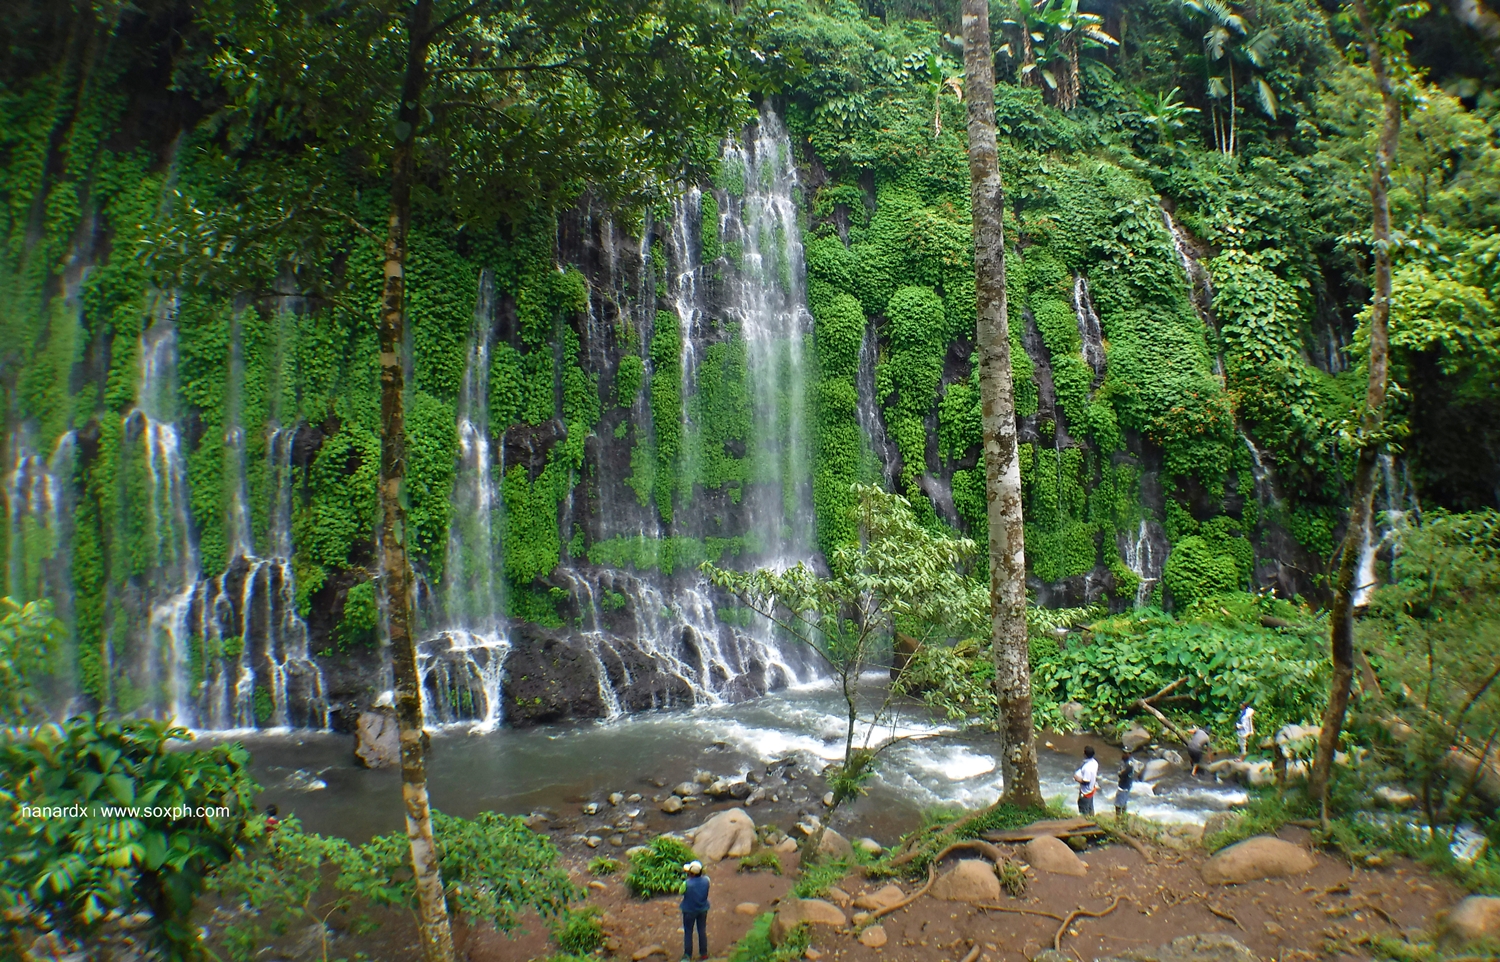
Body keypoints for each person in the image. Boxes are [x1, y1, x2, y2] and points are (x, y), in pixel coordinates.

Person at [680, 860, 710, 961]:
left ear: (691, 873)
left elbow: (681, 891)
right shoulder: (706, 880)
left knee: (688, 932)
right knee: (702, 930)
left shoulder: (686, 883)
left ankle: (687, 955)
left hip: (689, 910)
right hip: (703, 909)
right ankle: (704, 954)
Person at [1074, 746, 1099, 816]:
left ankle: (1085, 820)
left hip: (1085, 792)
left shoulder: (1087, 768)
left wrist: (1077, 778)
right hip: (1091, 789)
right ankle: (1092, 818)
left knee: (1084, 809)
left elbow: (1086, 781)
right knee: (1090, 807)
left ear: (1085, 754)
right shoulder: (1095, 762)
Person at [1115, 749, 1138, 821]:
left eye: (1126, 753)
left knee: (1118, 805)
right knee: (1124, 803)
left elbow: (1122, 774)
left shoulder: (1129, 765)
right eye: (1123, 752)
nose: (1123, 754)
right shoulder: (1126, 761)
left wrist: (1120, 773)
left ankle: (1119, 820)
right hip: (1126, 785)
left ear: (1129, 754)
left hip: (1124, 786)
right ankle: (1123, 819)